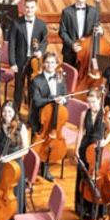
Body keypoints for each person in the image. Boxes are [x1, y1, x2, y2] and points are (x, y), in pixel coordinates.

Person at [73, 88, 110, 220]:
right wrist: (76, 149)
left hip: (98, 149)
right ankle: (82, 208)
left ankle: (98, 209)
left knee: (98, 179)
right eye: (89, 102)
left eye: (94, 102)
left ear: (100, 100)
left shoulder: (106, 115)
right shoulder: (85, 113)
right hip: (85, 148)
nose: (91, 105)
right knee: (84, 178)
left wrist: (104, 141)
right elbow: (81, 131)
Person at [30, 52, 67, 181]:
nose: (50, 65)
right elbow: (36, 101)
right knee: (37, 145)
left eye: (53, 62)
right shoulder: (36, 80)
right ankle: (33, 169)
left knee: (50, 143)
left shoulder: (60, 78)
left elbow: (65, 97)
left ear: (57, 64)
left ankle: (45, 169)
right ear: (43, 63)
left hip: (54, 118)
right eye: (47, 62)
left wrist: (63, 101)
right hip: (40, 118)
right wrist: (52, 99)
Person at [8, 0, 48, 107]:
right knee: (18, 88)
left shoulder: (41, 24)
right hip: (20, 61)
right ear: (23, 8)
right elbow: (12, 44)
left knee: (33, 88)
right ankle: (16, 112)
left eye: (32, 7)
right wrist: (12, 62)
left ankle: (31, 115)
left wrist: (41, 51)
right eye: (27, 7)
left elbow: (45, 41)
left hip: (34, 62)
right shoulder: (16, 23)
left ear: (36, 8)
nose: (29, 10)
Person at [58, 0, 101, 68]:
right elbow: (62, 32)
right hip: (70, 51)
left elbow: (97, 29)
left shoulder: (94, 12)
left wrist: (101, 31)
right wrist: (72, 44)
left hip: (86, 51)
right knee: (69, 78)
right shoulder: (67, 11)